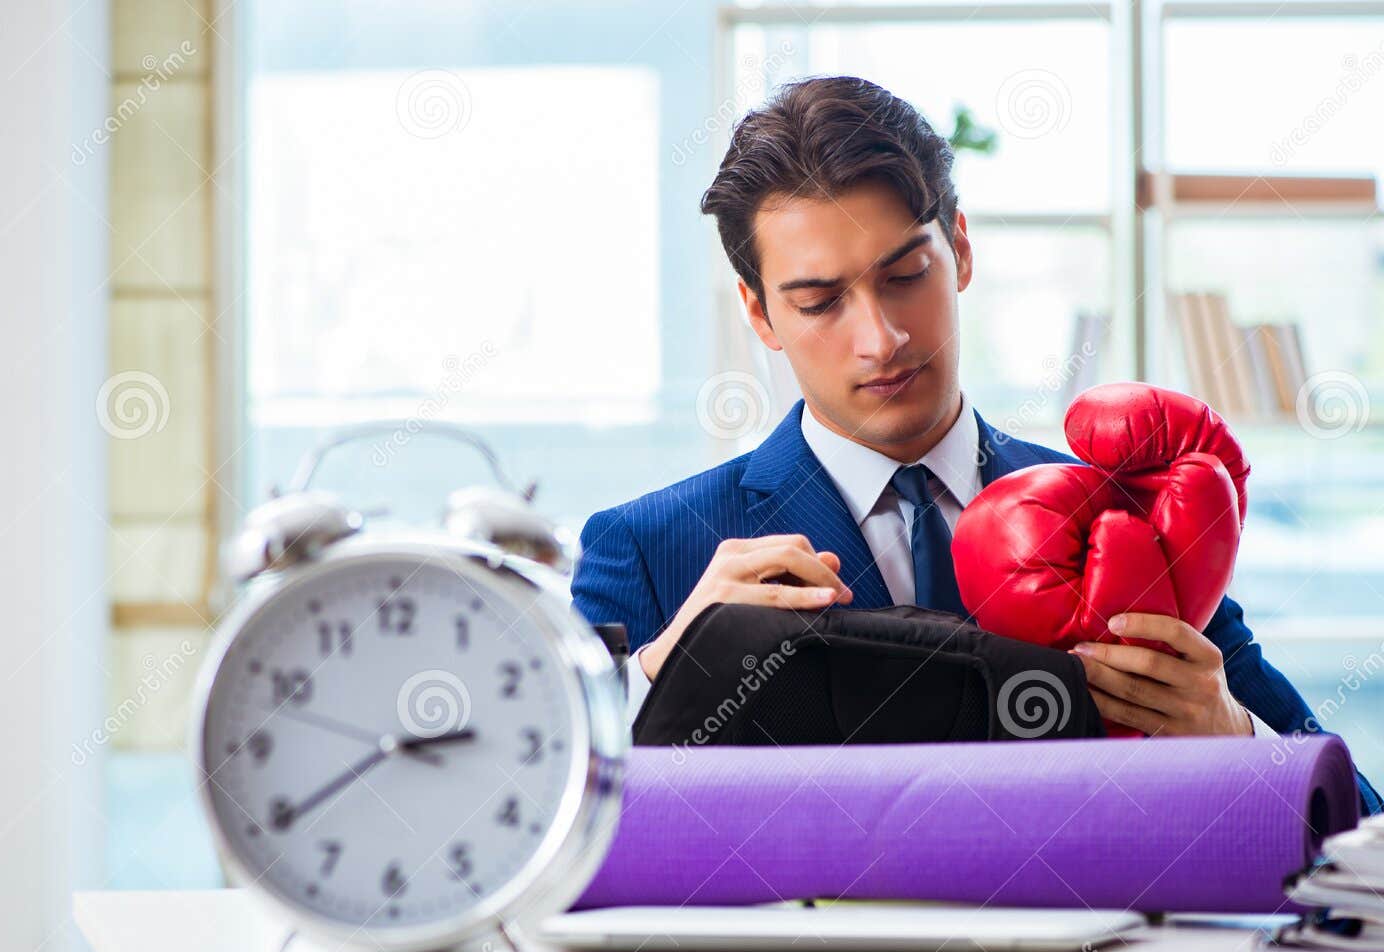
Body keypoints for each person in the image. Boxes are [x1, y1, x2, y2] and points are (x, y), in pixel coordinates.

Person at [569, 75, 1380, 815]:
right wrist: (660, 671)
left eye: (904, 275)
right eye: (820, 302)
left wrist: (1232, 736)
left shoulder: (1133, 518)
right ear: (760, 314)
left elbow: (1361, 830)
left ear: (959, 249)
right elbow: (544, 831)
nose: (881, 339)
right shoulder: (650, 547)